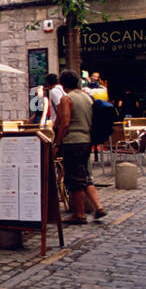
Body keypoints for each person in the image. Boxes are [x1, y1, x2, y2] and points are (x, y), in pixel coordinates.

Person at [54, 70, 108, 225]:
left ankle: (79, 214)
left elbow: (65, 122)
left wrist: (57, 143)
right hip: (87, 140)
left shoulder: (67, 98)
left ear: (62, 85)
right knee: (85, 175)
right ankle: (98, 207)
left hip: (73, 141)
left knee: (74, 178)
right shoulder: (87, 97)